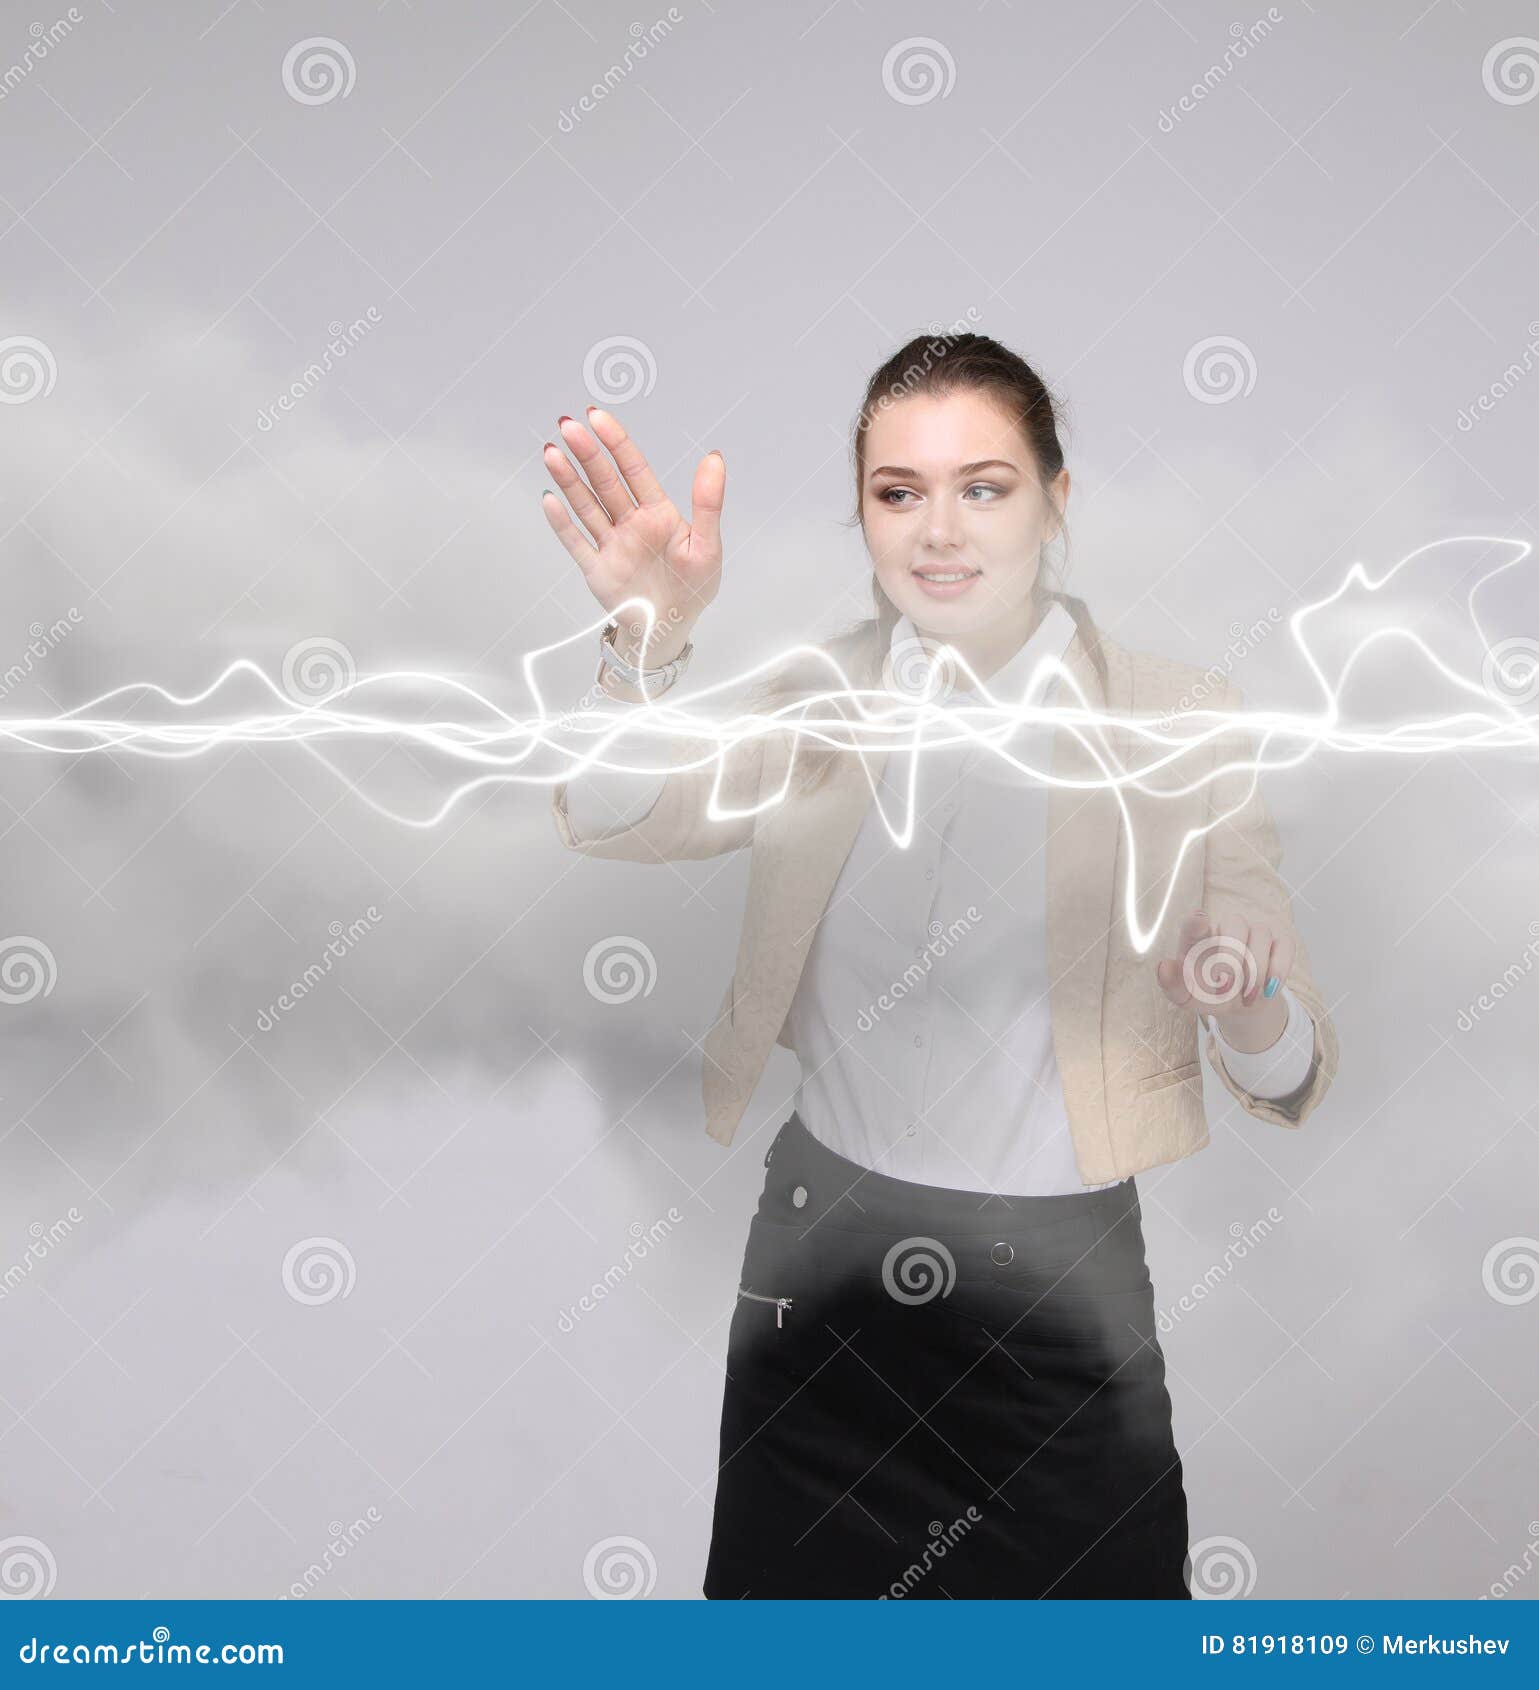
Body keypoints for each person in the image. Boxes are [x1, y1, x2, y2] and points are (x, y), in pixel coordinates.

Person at [543, 333, 1339, 1599]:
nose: (939, 530)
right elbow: (612, 812)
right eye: (898, 492)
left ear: (1056, 501)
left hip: (1064, 1308)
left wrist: (1243, 996)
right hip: (824, 1284)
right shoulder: (819, 702)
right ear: (862, 515)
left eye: (986, 485)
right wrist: (646, 640)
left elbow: (1295, 1072)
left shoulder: (1177, 721)